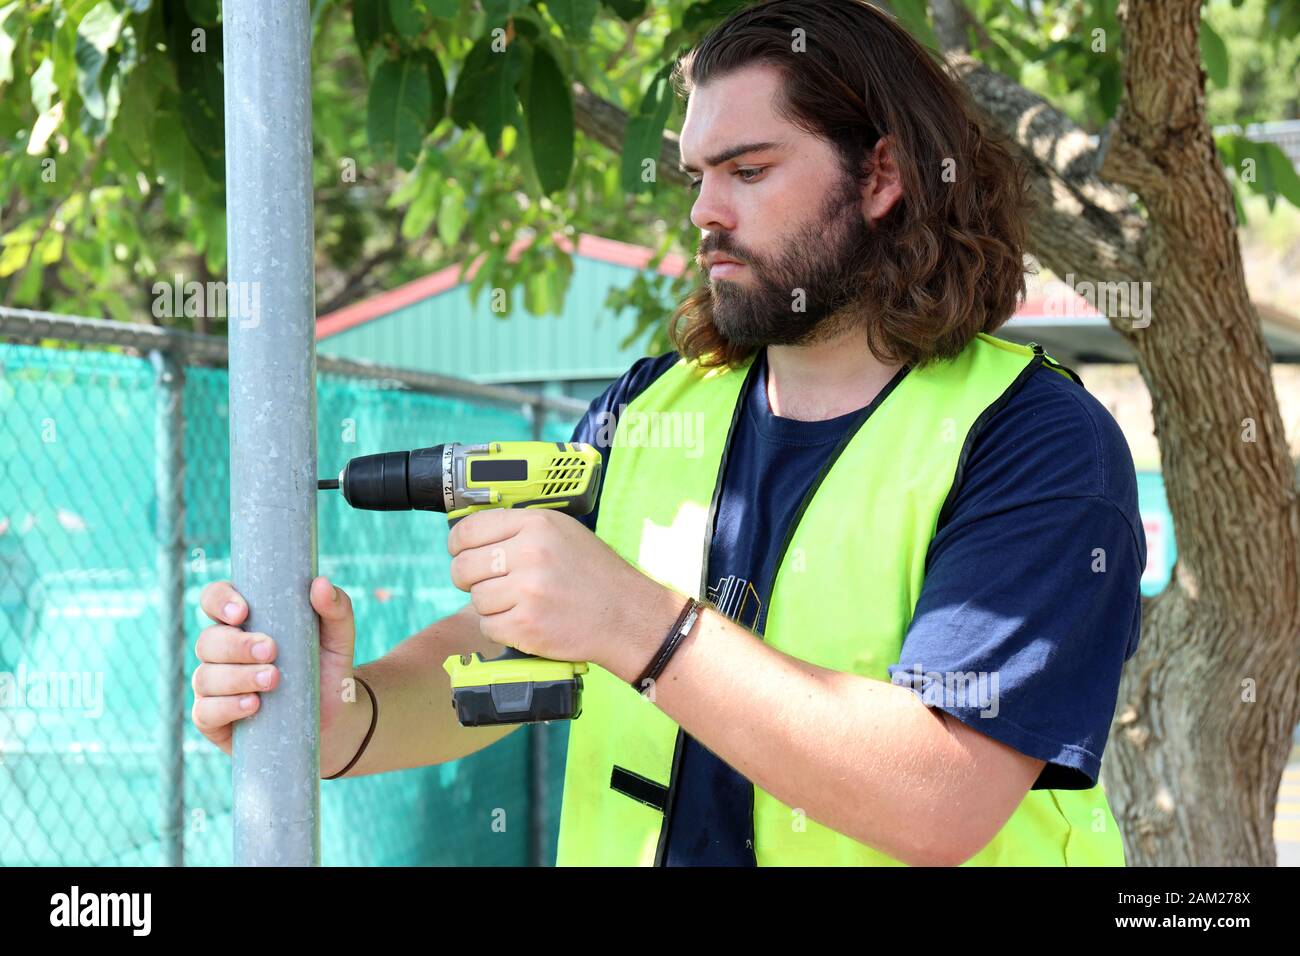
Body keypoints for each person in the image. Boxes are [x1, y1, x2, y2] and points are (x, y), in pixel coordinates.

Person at [191, 0, 1146, 866]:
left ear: (883, 175)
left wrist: (628, 618)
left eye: (749, 170)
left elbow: (944, 796)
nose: (704, 211)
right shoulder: (648, 410)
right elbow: (502, 649)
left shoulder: (1039, 442)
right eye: (697, 175)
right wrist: (343, 715)